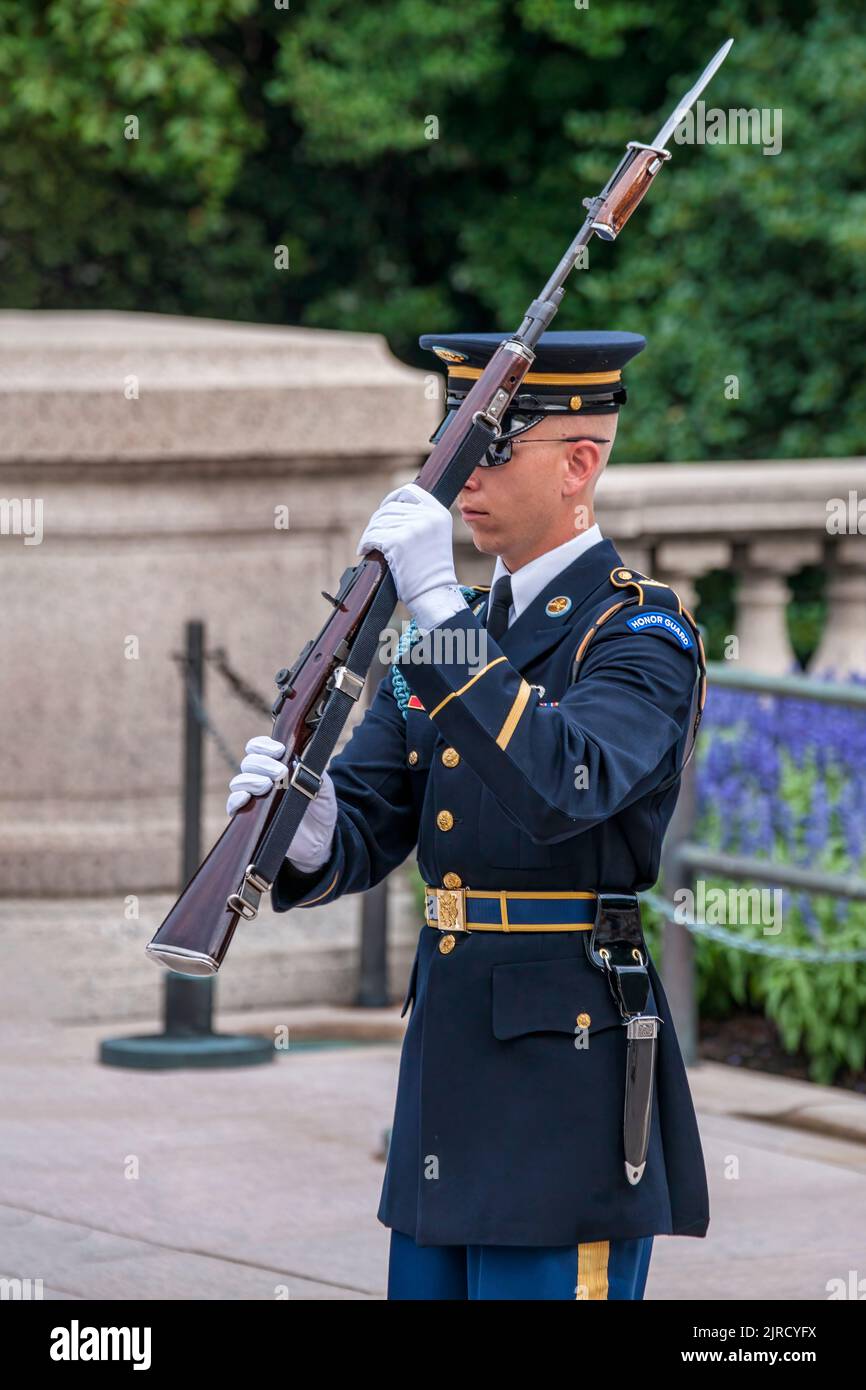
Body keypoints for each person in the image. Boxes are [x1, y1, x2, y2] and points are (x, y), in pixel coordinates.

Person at [227, 331, 710, 1301]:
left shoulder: (639, 636)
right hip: (447, 1064)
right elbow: (373, 814)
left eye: (490, 449)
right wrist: (308, 821)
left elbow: (562, 781)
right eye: (452, 445)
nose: (462, 477)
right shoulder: (450, 637)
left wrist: (441, 612)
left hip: (564, 1072)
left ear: (578, 463)